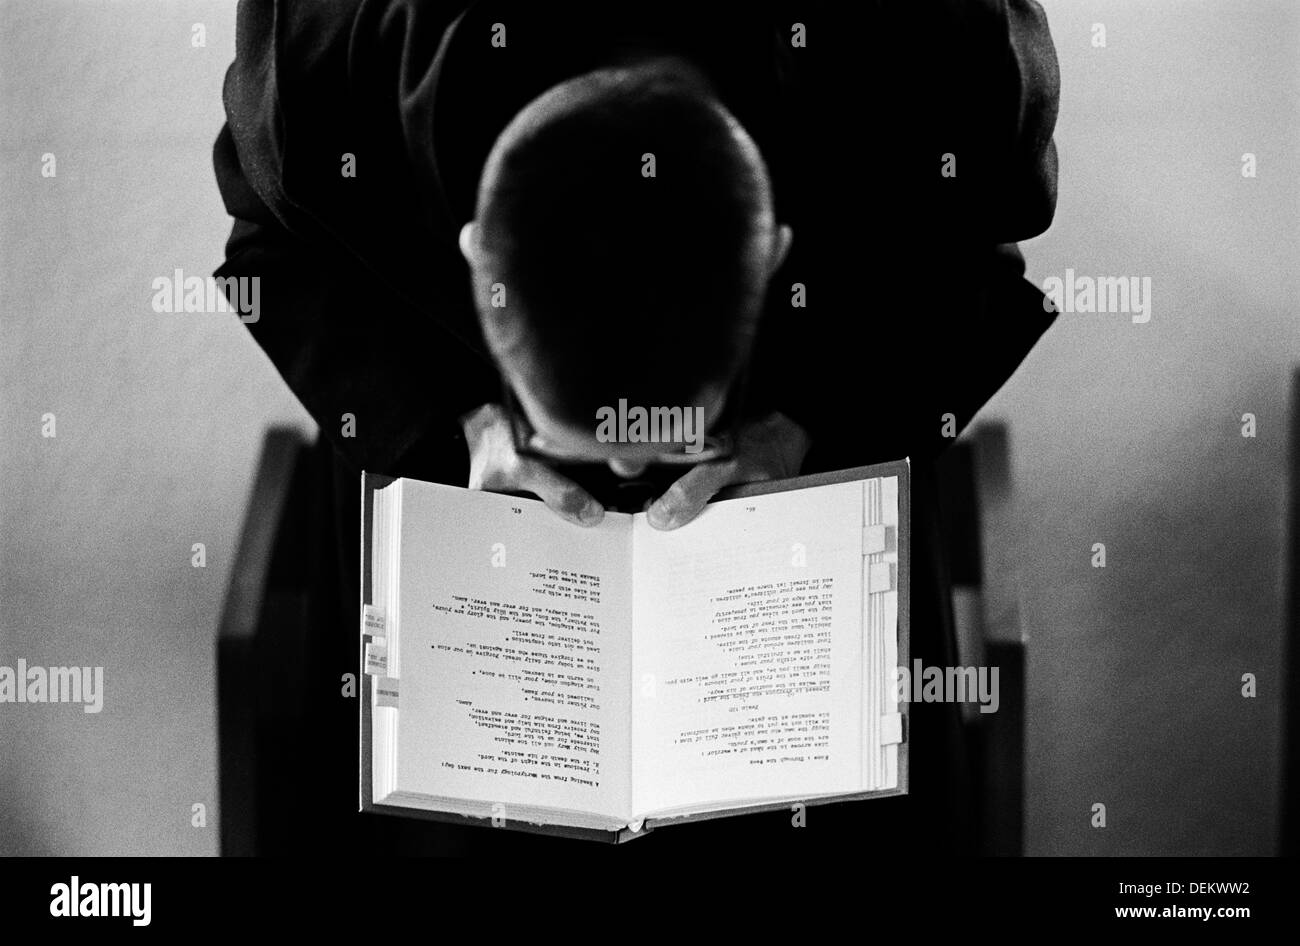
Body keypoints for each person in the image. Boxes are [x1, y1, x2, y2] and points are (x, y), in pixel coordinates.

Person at [214, 0, 1060, 854]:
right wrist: (462, 421)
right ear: (477, 261)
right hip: (459, 492)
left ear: (772, 255)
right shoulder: (329, 70)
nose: (626, 465)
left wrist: (810, 416)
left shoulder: (940, 55)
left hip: (812, 477)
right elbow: (275, 254)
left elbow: (976, 262)